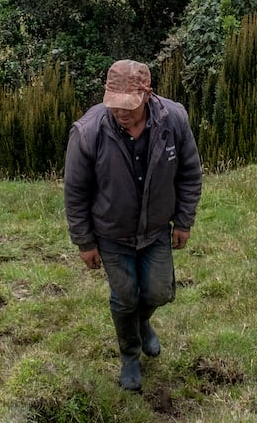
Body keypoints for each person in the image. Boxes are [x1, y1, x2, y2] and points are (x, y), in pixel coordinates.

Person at [63, 59, 203, 392]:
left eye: (128, 105)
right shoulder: (88, 131)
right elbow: (75, 191)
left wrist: (183, 221)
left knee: (158, 291)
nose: (120, 112)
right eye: (114, 104)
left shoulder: (174, 120)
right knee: (124, 297)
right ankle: (129, 354)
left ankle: (141, 325)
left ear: (147, 94)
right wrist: (85, 243)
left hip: (155, 230)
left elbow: (190, 173)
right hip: (111, 235)